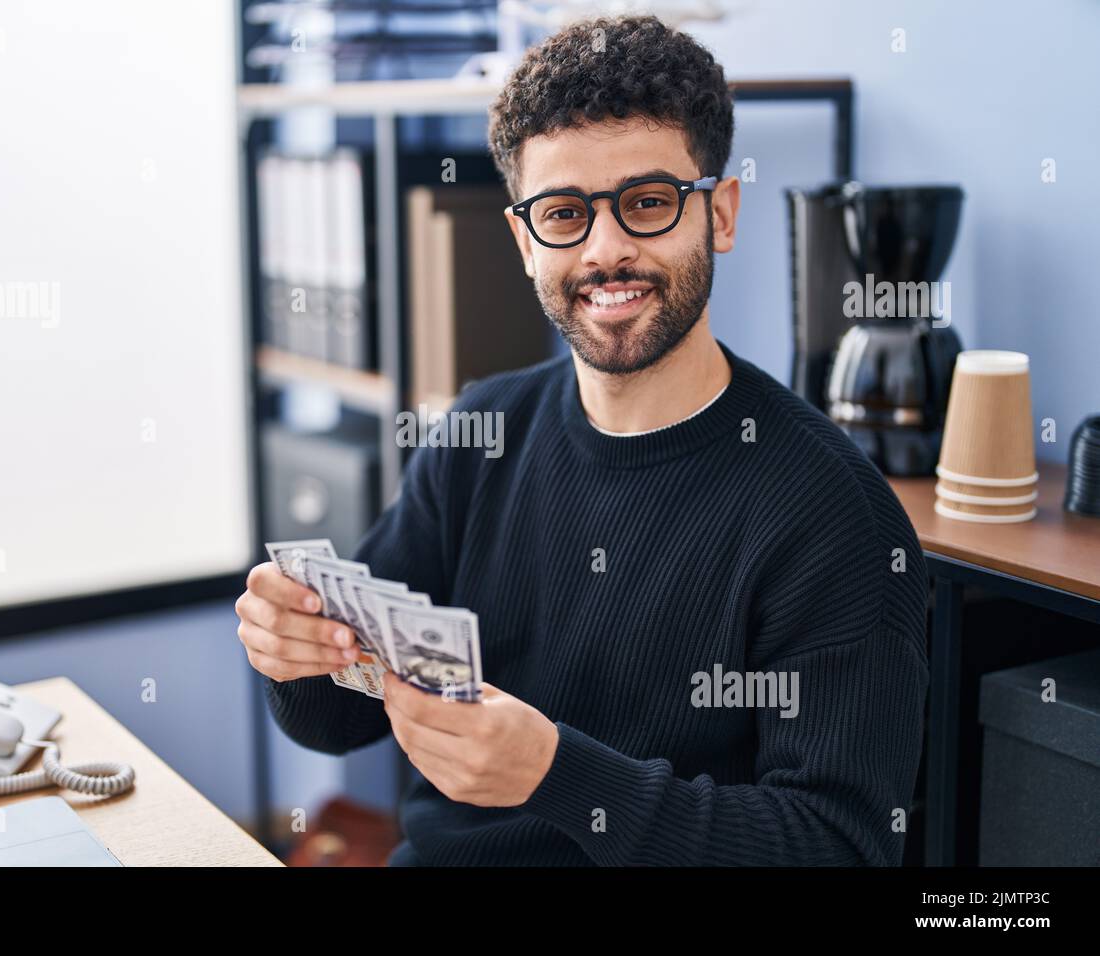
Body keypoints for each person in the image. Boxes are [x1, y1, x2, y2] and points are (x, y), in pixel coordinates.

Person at [237, 14, 929, 866]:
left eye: (646, 203)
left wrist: (556, 774)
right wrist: (292, 652)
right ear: (525, 241)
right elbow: (336, 719)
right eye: (564, 213)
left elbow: (840, 849)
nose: (607, 252)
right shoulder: (479, 437)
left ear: (720, 213)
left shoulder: (832, 517)